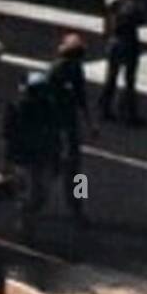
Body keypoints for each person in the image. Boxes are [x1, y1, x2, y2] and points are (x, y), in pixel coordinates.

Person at [3, 72, 62, 239]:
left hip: (41, 156)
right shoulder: (16, 107)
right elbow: (10, 135)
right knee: (29, 193)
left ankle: (27, 217)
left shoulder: (48, 107)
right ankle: (25, 222)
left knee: (41, 193)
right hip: (25, 158)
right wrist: (8, 161)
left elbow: (54, 133)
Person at [48, 32, 93, 225]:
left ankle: (77, 207)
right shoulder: (57, 71)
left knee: (74, 171)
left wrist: (89, 123)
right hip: (56, 124)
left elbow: (81, 97)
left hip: (68, 123)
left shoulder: (74, 69)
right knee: (63, 168)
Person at [99, 0, 145, 125]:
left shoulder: (110, 1)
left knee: (111, 76)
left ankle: (104, 109)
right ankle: (127, 114)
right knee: (129, 79)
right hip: (129, 42)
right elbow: (140, 20)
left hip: (113, 42)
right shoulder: (133, 5)